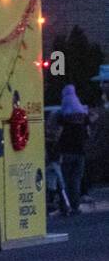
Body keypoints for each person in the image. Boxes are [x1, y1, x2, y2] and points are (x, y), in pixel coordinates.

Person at [55, 84, 91, 215]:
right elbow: (88, 133)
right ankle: (75, 206)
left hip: (65, 152)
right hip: (80, 152)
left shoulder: (63, 115)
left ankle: (65, 206)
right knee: (76, 180)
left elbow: (58, 133)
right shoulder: (83, 115)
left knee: (63, 179)